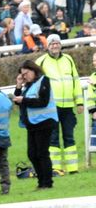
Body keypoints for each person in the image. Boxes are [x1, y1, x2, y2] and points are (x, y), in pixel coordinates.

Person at [36, 33, 81, 176]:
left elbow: (76, 80)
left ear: (60, 45)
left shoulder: (68, 59)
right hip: (50, 108)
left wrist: (79, 102)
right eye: (52, 43)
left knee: (69, 136)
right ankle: (55, 168)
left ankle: (73, 168)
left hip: (68, 107)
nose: (55, 46)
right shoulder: (41, 61)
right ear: (47, 46)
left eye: (57, 43)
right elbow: (36, 84)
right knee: (53, 138)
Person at [13, 59, 58, 190]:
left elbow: (42, 102)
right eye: (22, 75)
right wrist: (18, 85)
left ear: (33, 70)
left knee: (42, 153)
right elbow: (18, 99)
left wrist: (24, 100)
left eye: (25, 73)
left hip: (44, 122)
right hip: (32, 124)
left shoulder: (44, 81)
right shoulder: (27, 85)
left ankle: (47, 183)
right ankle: (41, 181)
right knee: (32, 154)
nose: (24, 76)